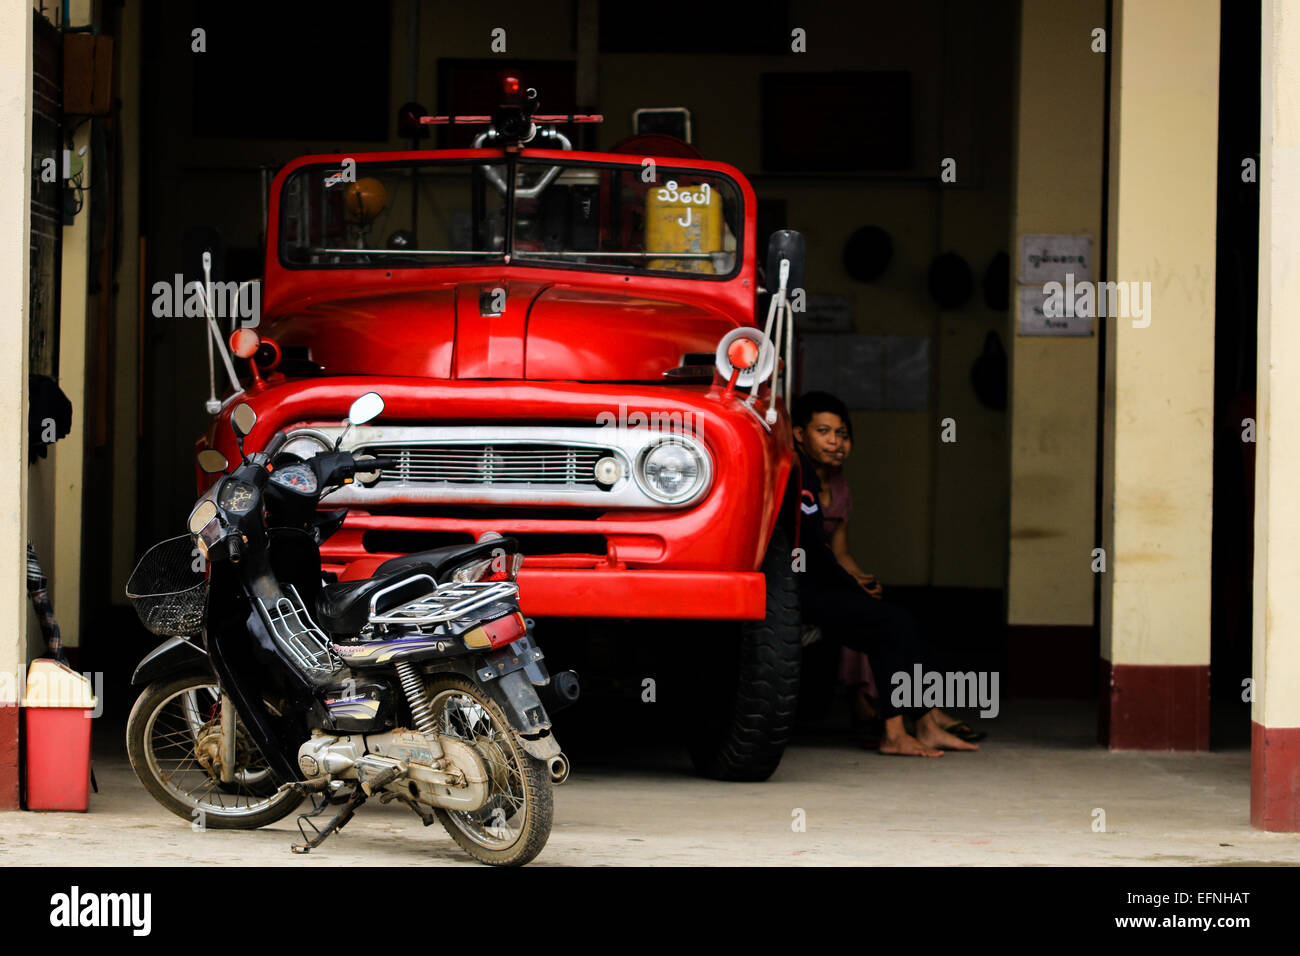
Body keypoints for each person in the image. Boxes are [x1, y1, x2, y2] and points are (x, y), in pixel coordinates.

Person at [791, 391, 977, 756]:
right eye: (824, 431)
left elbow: (840, 551)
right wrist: (850, 585)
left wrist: (862, 581)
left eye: (842, 434)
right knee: (890, 624)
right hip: (795, 589)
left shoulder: (838, 484)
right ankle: (897, 731)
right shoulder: (795, 474)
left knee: (898, 618)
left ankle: (924, 722)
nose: (835, 442)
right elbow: (808, 554)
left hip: (827, 583)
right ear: (799, 434)